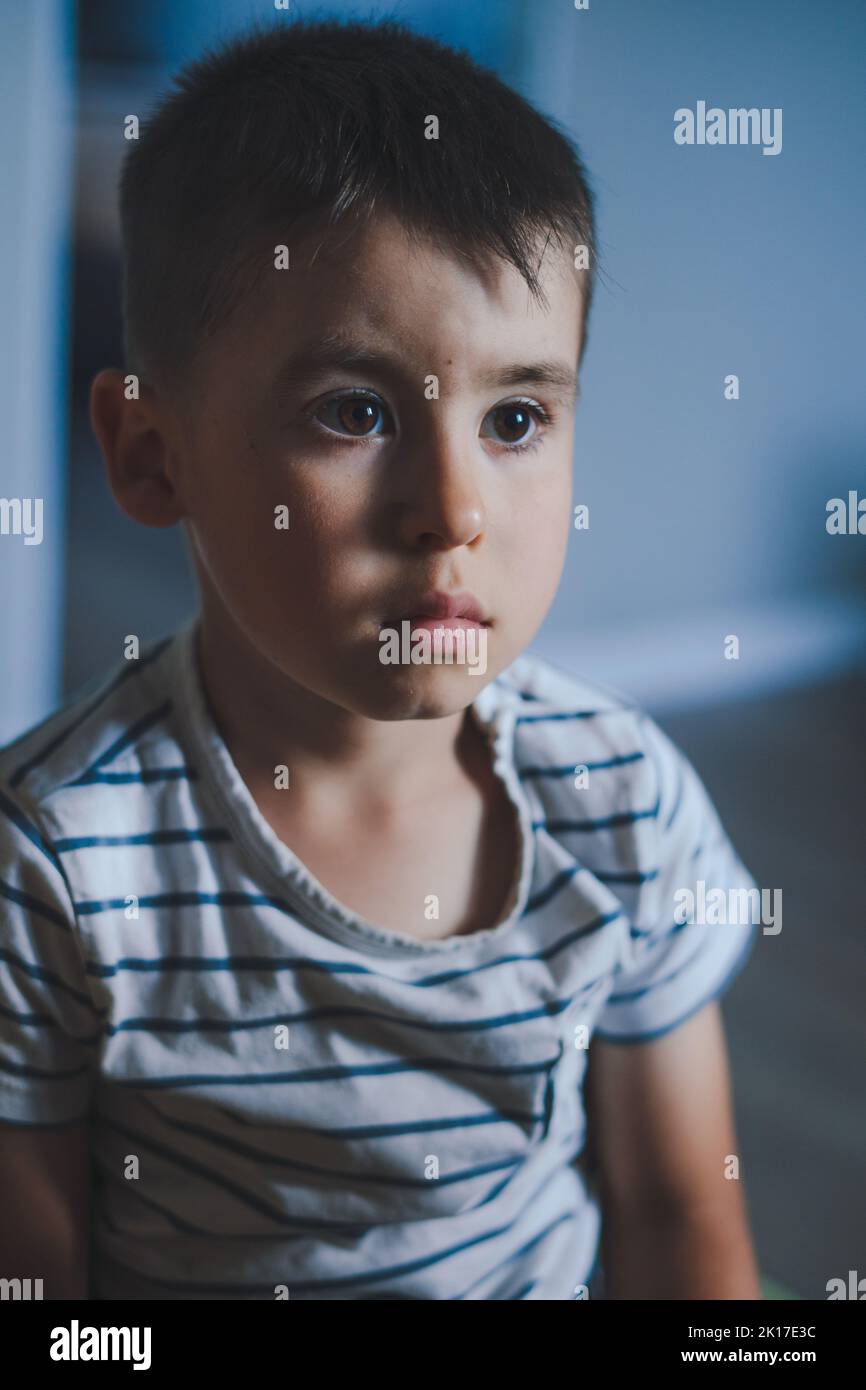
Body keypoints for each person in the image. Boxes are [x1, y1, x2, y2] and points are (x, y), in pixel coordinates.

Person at [0, 17, 762, 1300]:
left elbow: (680, 1215)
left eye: (515, 417)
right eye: (354, 411)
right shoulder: (58, 863)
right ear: (150, 453)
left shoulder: (623, 799)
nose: (452, 507)